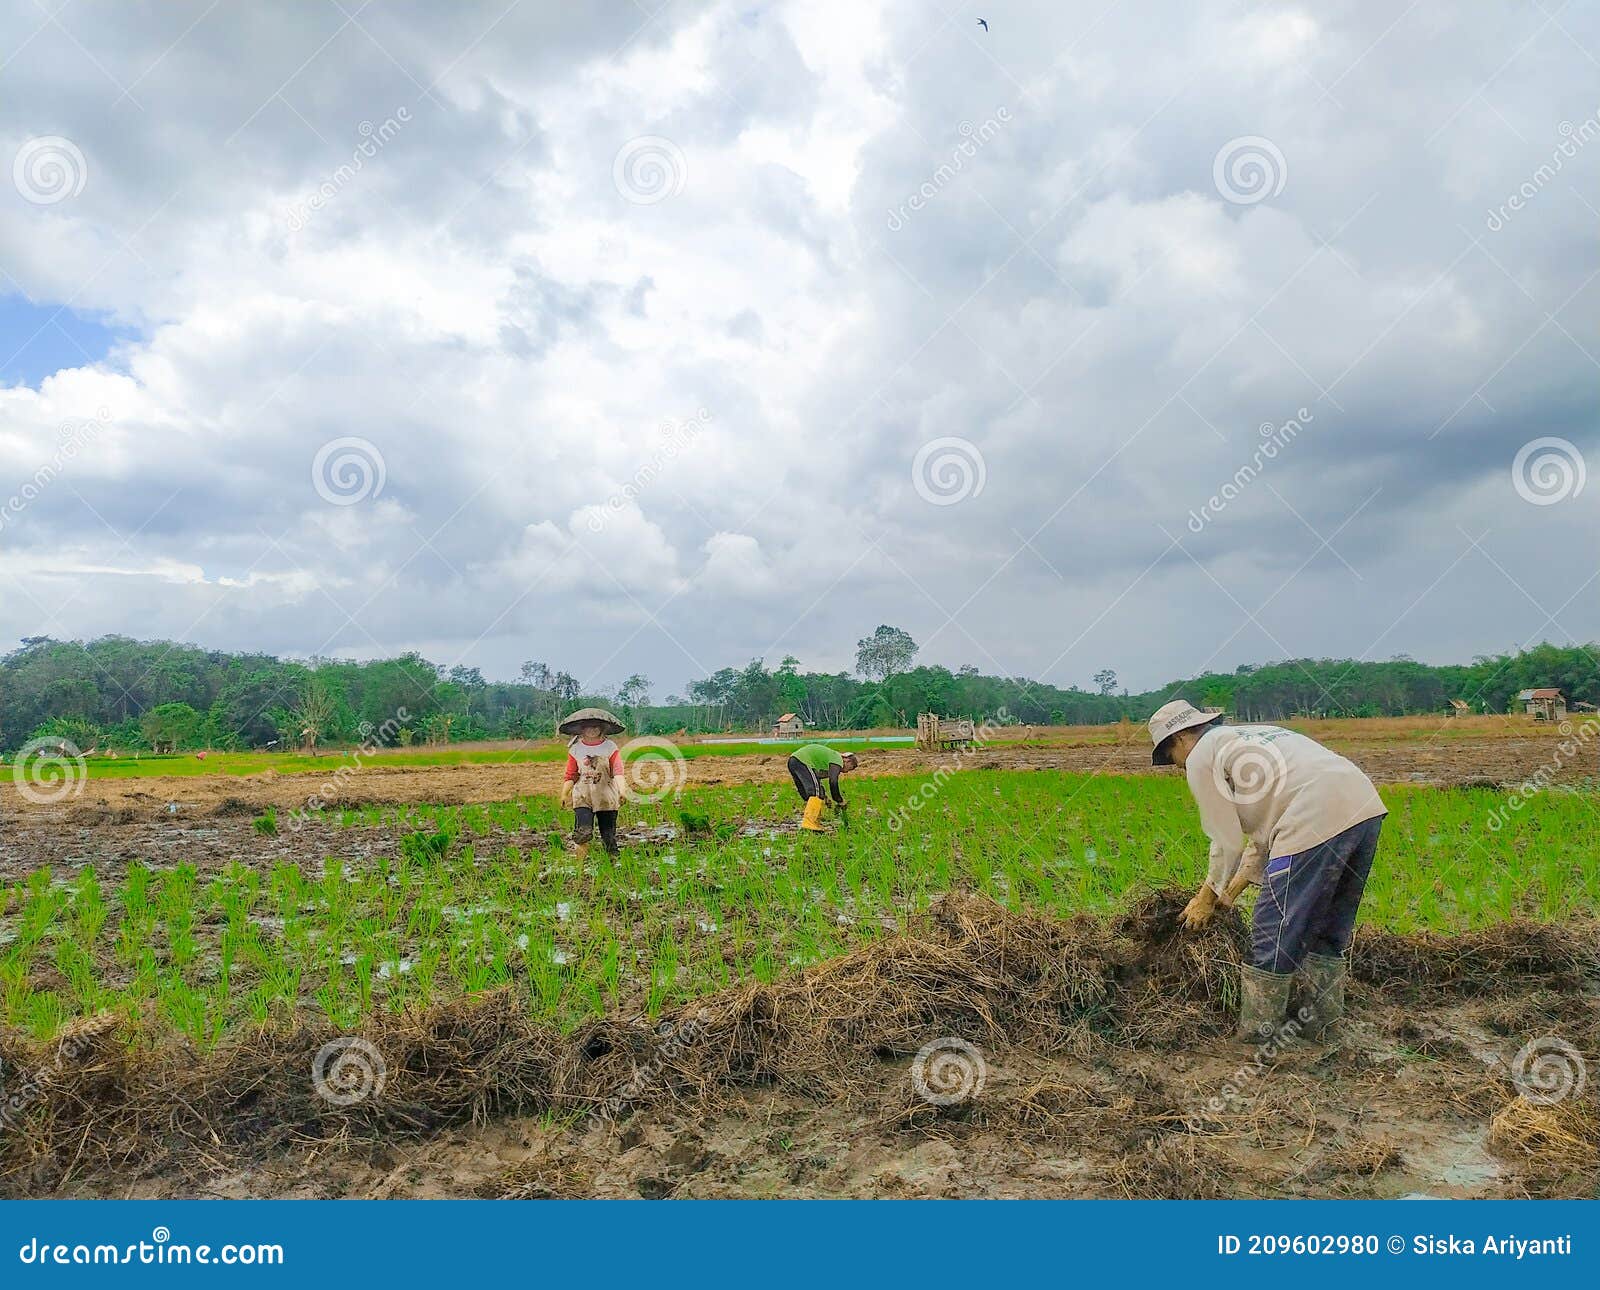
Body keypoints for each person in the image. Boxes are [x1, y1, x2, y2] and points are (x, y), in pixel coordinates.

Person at [1147, 700, 1386, 1043]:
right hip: (1364, 808)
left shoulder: (1201, 756)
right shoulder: (1250, 737)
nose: (1177, 766)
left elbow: (1226, 840)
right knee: (1328, 929)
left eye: (1172, 757)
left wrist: (1205, 899)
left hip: (1314, 816)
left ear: (1180, 738)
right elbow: (1264, 839)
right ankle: (1323, 1028)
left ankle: (1258, 1036)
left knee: (1272, 929)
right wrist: (1229, 893)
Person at [558, 707, 627, 859]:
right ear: (581, 728)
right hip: (582, 796)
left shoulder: (610, 747)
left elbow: (618, 772)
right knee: (582, 833)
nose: (592, 729)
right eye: (588, 726)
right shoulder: (575, 749)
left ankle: (613, 862)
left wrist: (622, 791)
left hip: (606, 797)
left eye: (596, 726)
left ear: (602, 728)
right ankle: (580, 866)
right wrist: (564, 794)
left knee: (608, 835)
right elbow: (571, 775)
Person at [786, 743, 858, 831]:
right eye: (849, 768)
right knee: (815, 793)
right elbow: (833, 782)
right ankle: (809, 824)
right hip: (802, 761)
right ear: (847, 760)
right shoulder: (837, 758)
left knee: (811, 795)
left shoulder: (828, 761)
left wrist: (825, 796)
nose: (846, 772)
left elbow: (815, 780)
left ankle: (814, 822)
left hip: (793, 762)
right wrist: (839, 800)